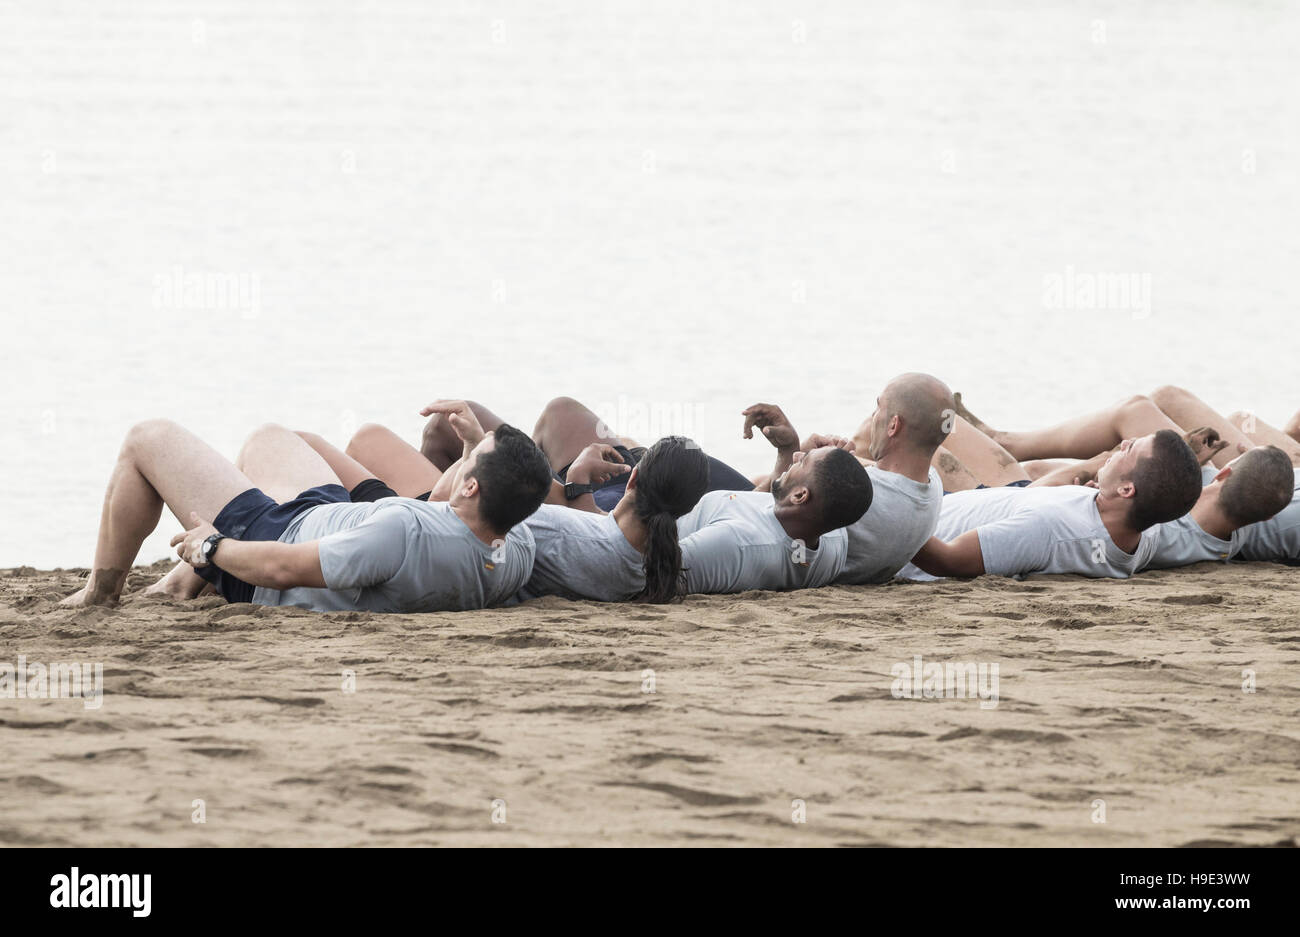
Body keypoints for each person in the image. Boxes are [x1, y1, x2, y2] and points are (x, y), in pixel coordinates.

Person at [63, 417, 552, 613]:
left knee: (145, 439)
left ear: (470, 485)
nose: (462, 459)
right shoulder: (515, 547)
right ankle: (181, 583)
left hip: (275, 539)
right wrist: (471, 446)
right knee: (269, 439)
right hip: (332, 518)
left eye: (469, 458)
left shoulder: (402, 532)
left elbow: (281, 570)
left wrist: (210, 547)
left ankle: (100, 594)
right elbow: (441, 521)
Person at [316, 404, 714, 603]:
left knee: (366, 438)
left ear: (634, 476)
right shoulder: (648, 564)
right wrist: (575, 487)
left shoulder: (557, 532)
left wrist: (474, 447)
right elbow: (599, 537)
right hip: (447, 533)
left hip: (432, 521)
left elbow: (449, 510)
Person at [903, 427, 1202, 580]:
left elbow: (947, 560)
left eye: (1132, 448)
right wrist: (1092, 495)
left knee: (915, 426)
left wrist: (895, 517)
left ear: (1126, 489)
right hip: (965, 501)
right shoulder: (1144, 534)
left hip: (920, 524)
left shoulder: (1049, 530)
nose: (1124, 442)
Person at [743, 372, 952, 585]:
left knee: (709, 468)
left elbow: (758, 518)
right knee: (754, 477)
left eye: (879, 407)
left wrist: (790, 452)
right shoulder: (932, 490)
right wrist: (827, 465)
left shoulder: (865, 498)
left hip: (758, 554)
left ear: (893, 426)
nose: (873, 415)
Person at [675, 445, 873, 594]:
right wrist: (786, 449)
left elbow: (652, 577)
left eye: (803, 461)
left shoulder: (736, 543)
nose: (797, 455)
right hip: (723, 506)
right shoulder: (835, 541)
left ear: (799, 496)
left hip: (665, 516)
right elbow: (759, 509)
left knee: (680, 449)